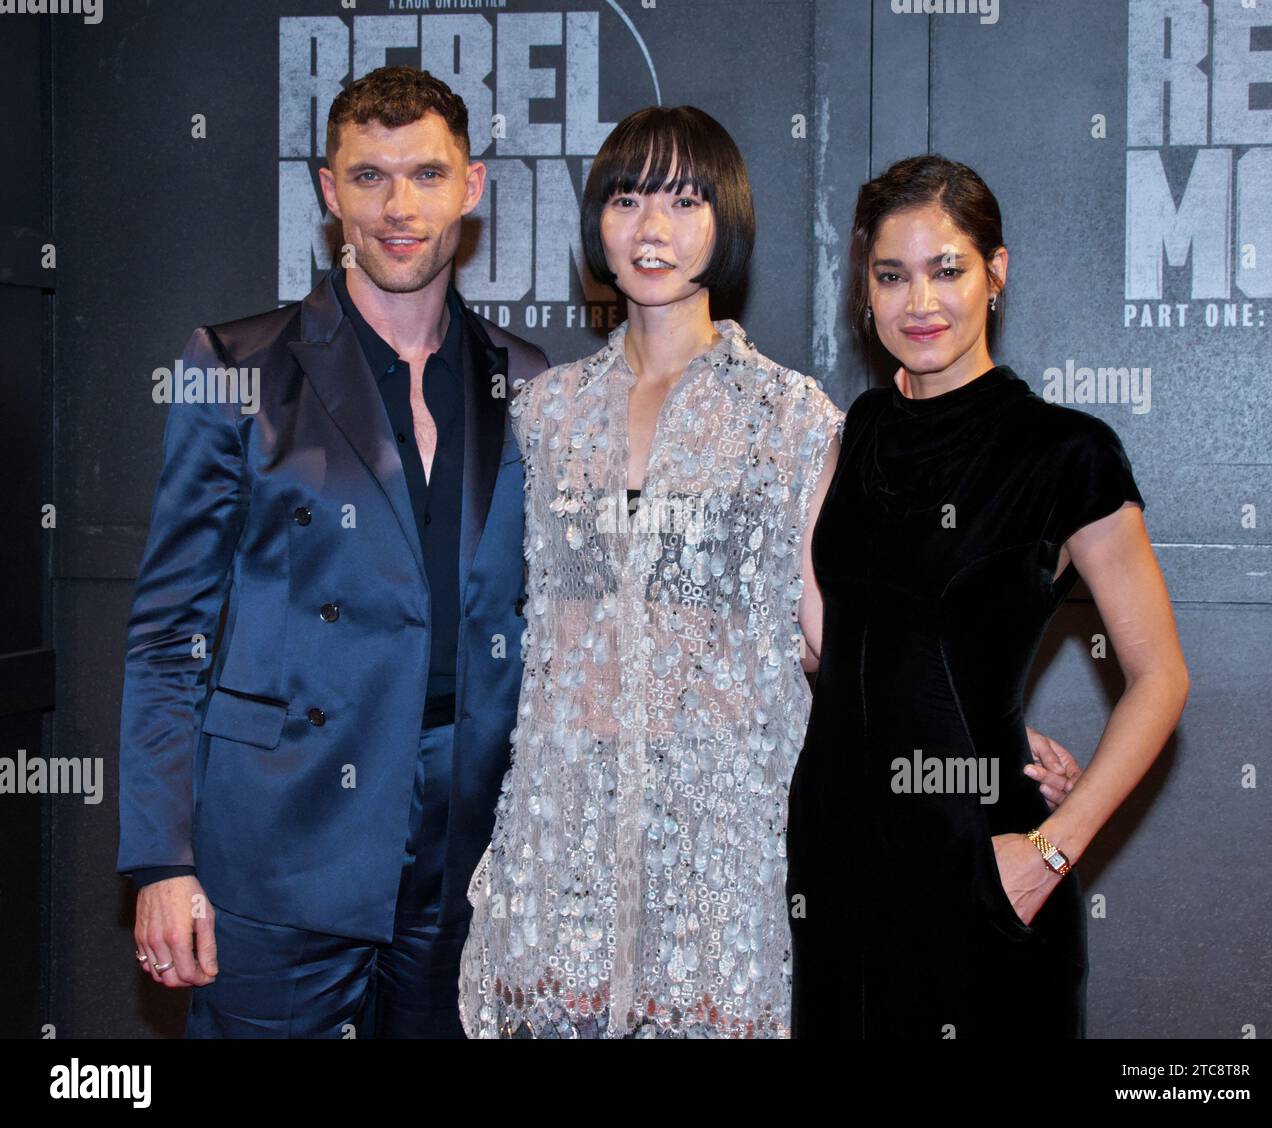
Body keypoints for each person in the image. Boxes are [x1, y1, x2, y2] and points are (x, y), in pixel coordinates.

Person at [457, 111, 1081, 1039]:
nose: (652, 229)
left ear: (729, 220)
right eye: (627, 200)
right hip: (565, 841)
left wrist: (984, 737)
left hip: (725, 846)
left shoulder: (790, 421)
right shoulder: (545, 414)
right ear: (596, 224)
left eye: (684, 199)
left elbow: (840, 637)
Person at [117, 66, 548, 1037]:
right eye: (369, 177)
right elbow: (166, 637)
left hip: (465, 852)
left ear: (470, 189)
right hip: (278, 836)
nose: (399, 208)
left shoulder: (526, 382)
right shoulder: (237, 368)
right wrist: (161, 860)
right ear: (327, 191)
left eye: (426, 176)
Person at [785, 154, 1190, 1038]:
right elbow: (826, 640)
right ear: (865, 287)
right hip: (837, 851)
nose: (918, 302)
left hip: (978, 857)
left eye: (948, 270)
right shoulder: (856, 432)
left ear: (996, 272)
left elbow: (1161, 679)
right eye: (892, 276)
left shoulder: (1065, 453)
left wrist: (1051, 850)